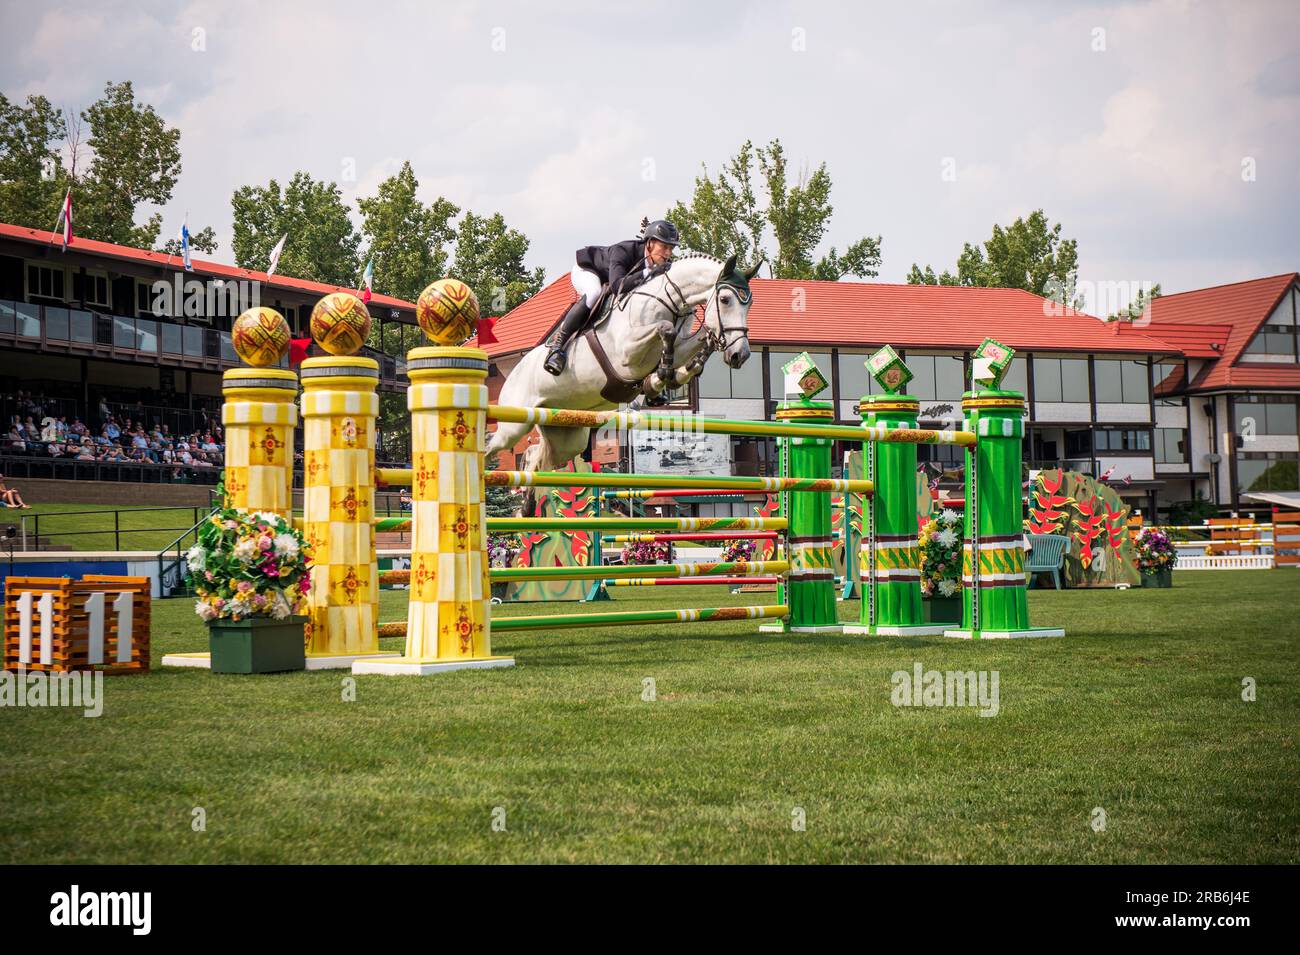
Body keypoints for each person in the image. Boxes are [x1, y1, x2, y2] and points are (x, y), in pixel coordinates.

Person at [542, 219, 681, 376]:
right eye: (664, 247)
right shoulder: (623, 251)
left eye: (671, 248)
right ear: (649, 243)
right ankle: (557, 347)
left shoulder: (662, 263)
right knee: (593, 293)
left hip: (611, 278)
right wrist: (648, 272)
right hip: (588, 270)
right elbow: (617, 286)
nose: (668, 253)